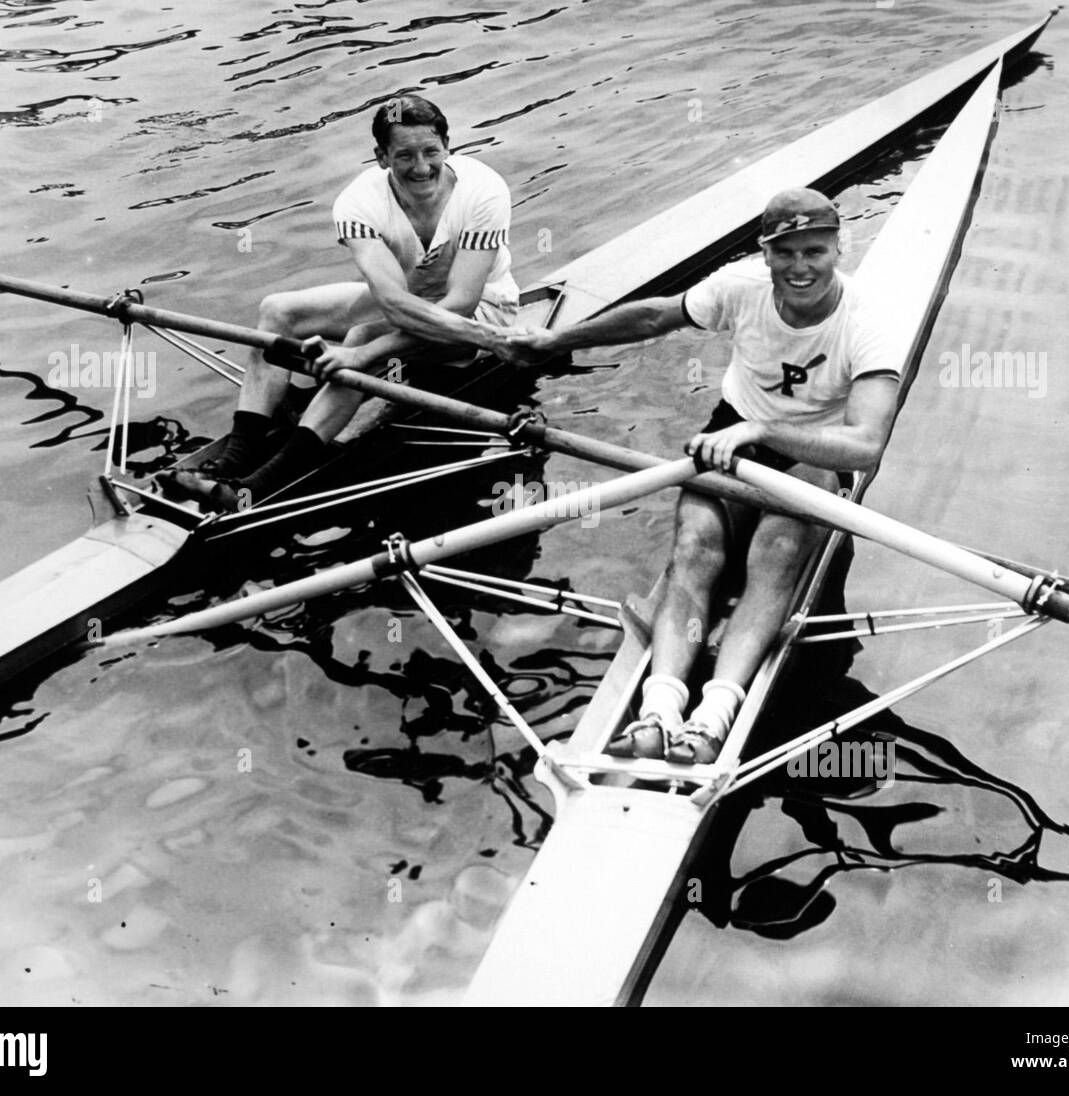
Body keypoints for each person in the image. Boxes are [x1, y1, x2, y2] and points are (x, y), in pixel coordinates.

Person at [485, 188, 901, 764]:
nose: (800, 268)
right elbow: (657, 314)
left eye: (815, 251)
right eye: (785, 254)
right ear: (765, 255)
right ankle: (658, 710)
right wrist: (558, 339)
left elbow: (865, 445)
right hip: (732, 433)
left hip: (816, 451)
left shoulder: (869, 321)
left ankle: (714, 715)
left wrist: (761, 432)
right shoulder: (739, 287)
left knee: (777, 548)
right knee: (694, 545)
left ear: (839, 249)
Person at [168, 94, 518, 509]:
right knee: (277, 311)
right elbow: (392, 301)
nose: (421, 167)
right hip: (407, 303)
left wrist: (364, 353)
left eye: (431, 152)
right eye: (404, 155)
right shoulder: (358, 202)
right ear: (381, 157)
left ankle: (254, 489)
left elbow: (459, 303)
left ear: (448, 147)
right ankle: (234, 459)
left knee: (360, 339)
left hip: (482, 317)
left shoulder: (484, 191)